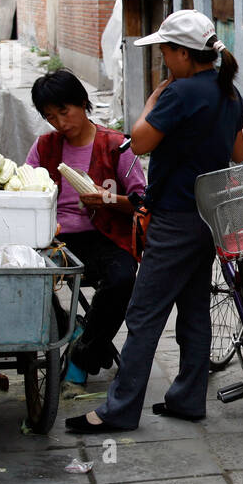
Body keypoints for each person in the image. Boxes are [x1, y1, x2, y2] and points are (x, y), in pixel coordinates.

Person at [65, 10, 243, 433]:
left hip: (174, 218)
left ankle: (118, 410)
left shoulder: (179, 93)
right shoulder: (229, 92)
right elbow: (240, 154)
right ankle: (187, 398)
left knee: (144, 314)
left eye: (166, 49)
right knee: (193, 309)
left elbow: (141, 141)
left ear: (184, 54)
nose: (164, 57)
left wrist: (150, 103)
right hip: (209, 216)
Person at [26, 70, 146, 390]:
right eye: (51, 117)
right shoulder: (44, 148)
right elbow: (24, 189)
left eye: (65, 112)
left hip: (106, 235)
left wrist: (107, 198)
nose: (61, 123)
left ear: (82, 103)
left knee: (122, 279)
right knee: (28, 277)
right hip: (57, 239)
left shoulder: (116, 146)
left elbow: (143, 202)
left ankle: (83, 354)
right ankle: (72, 328)